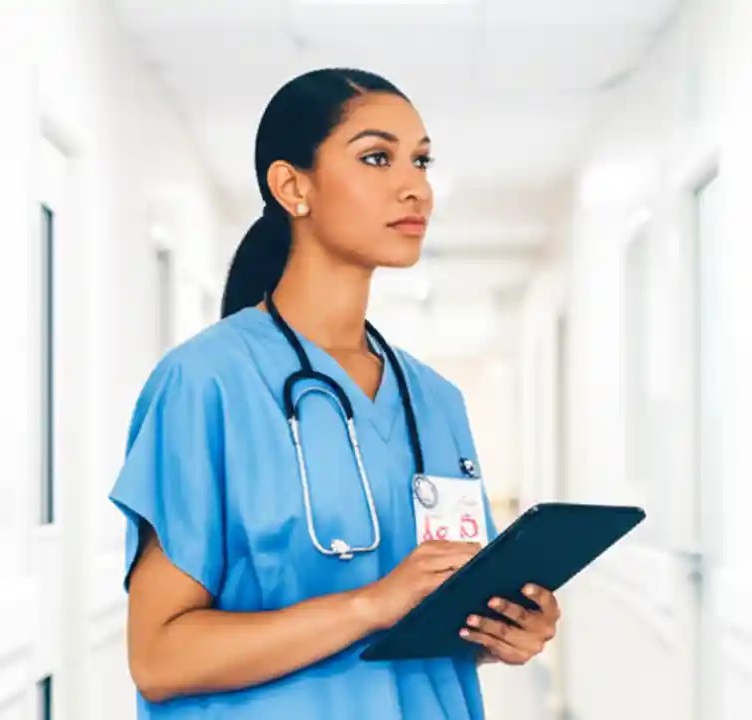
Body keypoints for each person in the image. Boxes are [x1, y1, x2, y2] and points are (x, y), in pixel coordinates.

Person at [109, 67, 561, 719]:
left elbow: (440, 611)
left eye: (422, 160)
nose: (415, 186)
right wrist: (368, 604)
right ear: (293, 185)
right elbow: (158, 658)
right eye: (377, 157)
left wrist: (507, 629)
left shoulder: (434, 400)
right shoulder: (207, 382)